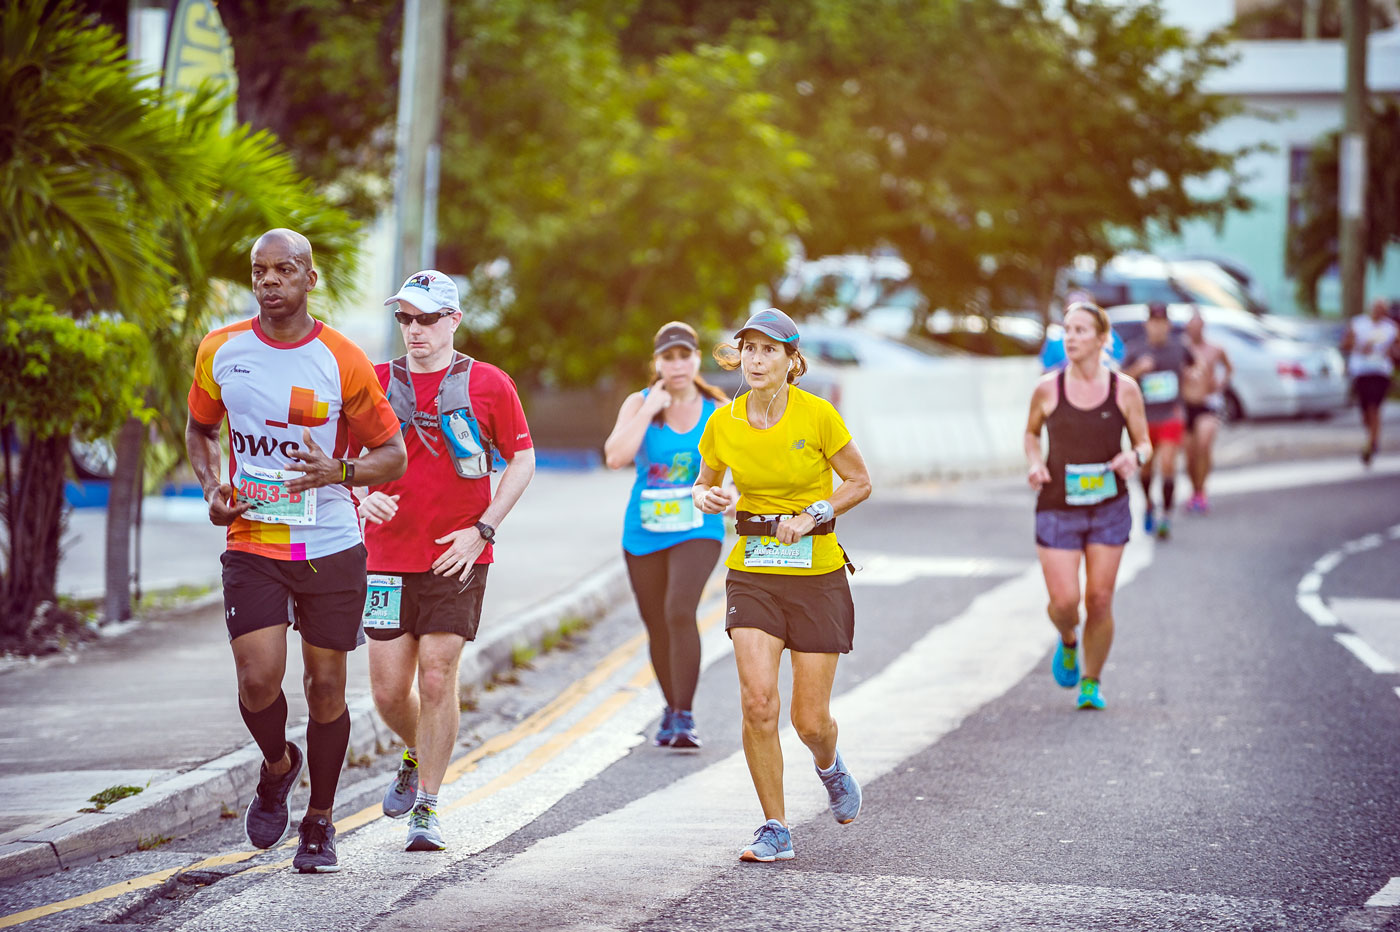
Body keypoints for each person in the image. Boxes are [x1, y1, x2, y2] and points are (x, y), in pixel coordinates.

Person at [185, 229, 407, 873]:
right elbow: (201, 431)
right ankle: (279, 765)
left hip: (331, 544)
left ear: (310, 278)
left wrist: (336, 471)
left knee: (327, 687)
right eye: (259, 271)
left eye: (284, 270)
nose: (270, 281)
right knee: (257, 682)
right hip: (252, 537)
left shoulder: (342, 358)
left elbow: (390, 455)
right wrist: (211, 486)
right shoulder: (221, 349)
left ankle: (319, 821)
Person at [361, 271, 535, 852]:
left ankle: (428, 806)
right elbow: (338, 459)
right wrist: (362, 495)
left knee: (437, 675)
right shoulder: (377, 381)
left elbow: (522, 460)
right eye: (405, 319)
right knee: (388, 692)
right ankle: (417, 751)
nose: (415, 329)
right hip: (385, 558)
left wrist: (483, 529)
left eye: (427, 318)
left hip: (457, 556)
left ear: (453, 320)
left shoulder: (489, 384)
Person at [692, 307, 872, 863]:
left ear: (792, 361)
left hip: (816, 573)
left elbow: (860, 482)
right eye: (748, 348)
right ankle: (775, 825)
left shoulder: (817, 415)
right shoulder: (724, 421)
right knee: (757, 700)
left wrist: (817, 511)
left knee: (808, 720)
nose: (756, 358)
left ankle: (828, 763)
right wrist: (708, 498)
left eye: (770, 350)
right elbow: (705, 484)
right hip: (753, 570)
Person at [604, 322, 728, 749]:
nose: (677, 365)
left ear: (697, 359)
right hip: (644, 531)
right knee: (656, 622)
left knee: (679, 609)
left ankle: (687, 715)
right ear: (656, 362)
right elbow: (616, 457)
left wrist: (730, 494)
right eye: (668, 357)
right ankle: (671, 711)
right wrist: (647, 408)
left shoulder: (718, 407)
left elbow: (739, 465)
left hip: (698, 526)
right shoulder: (638, 403)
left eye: (684, 356)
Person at [1025, 301, 1151, 711]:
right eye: (1067, 329)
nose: (1072, 337)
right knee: (1065, 603)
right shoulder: (1048, 387)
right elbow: (1030, 434)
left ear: (1102, 339)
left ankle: (1091, 682)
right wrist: (1034, 462)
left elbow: (1144, 442)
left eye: (1081, 330)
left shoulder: (1124, 389)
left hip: (1108, 508)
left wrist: (1135, 458)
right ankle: (1067, 639)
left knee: (1099, 599)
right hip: (1057, 506)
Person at [1122, 302, 1193, 540]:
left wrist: (1195, 377)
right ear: (1147, 324)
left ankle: (1167, 516)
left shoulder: (1178, 348)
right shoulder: (1135, 348)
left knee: (1168, 464)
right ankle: (1149, 505)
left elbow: (1195, 365)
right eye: (1154, 323)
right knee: (1146, 468)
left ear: (1168, 325)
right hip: (1143, 419)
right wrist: (1138, 369)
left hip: (1170, 415)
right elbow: (1120, 380)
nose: (1158, 327)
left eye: (1162, 323)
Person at [1180, 308, 1232, 514]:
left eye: (1199, 325)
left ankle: (1202, 491)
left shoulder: (1215, 349)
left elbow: (1229, 368)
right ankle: (1194, 490)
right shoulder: (1180, 349)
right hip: (1185, 406)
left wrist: (1220, 384)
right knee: (1190, 454)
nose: (1195, 329)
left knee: (1203, 445)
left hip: (1207, 405)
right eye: (1192, 326)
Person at [1339, 298, 1398, 466]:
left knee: (1374, 407)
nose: (1379, 311)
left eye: (1382, 309)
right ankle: (1372, 436)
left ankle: (1372, 442)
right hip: (1361, 371)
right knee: (1365, 411)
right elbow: (1345, 344)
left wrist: (1392, 352)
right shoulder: (1358, 324)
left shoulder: (1391, 328)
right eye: (1376, 308)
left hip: (1380, 372)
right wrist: (1359, 346)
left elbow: (1397, 348)